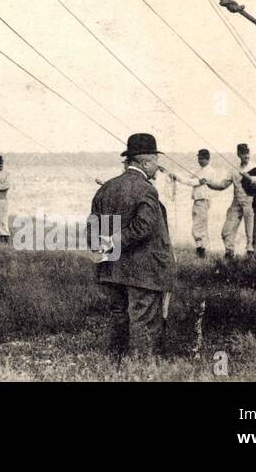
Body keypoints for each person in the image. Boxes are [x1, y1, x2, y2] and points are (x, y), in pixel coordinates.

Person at [91, 133, 176, 360]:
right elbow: (143, 226)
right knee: (144, 320)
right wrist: (114, 241)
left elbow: (93, 226)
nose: (158, 167)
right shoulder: (147, 189)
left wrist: (103, 246)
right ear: (145, 162)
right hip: (144, 272)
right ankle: (142, 366)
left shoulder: (106, 188)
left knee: (118, 318)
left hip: (111, 270)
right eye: (156, 161)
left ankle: (115, 363)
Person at [189, 149, 231, 258]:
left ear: (207, 159)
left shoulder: (210, 171)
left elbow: (193, 182)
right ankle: (202, 249)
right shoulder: (200, 170)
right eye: (199, 158)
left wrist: (177, 177)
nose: (199, 161)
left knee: (198, 226)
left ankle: (202, 249)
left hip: (203, 200)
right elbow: (191, 179)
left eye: (201, 159)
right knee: (199, 225)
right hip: (197, 200)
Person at [219, 143, 255, 260]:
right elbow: (223, 185)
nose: (246, 156)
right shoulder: (234, 168)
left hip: (251, 201)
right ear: (238, 154)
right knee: (227, 230)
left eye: (247, 153)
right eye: (243, 153)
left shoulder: (255, 167)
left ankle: (251, 256)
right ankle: (229, 253)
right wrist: (208, 183)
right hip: (236, 201)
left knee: (251, 231)